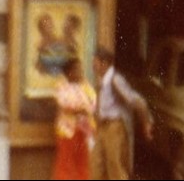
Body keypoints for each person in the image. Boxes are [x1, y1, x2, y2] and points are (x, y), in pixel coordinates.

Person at [91, 48, 153, 180]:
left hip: (115, 127)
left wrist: (146, 123)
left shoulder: (115, 80)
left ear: (105, 63)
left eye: (95, 62)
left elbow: (134, 101)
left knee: (115, 166)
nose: (93, 65)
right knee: (96, 164)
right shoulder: (103, 81)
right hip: (103, 127)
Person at [52, 57, 96, 180]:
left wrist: (82, 108)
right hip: (67, 130)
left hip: (84, 129)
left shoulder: (85, 85)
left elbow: (92, 102)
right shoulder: (61, 85)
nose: (80, 72)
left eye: (81, 69)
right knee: (64, 163)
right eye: (77, 69)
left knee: (83, 163)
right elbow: (66, 103)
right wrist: (82, 108)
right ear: (69, 72)